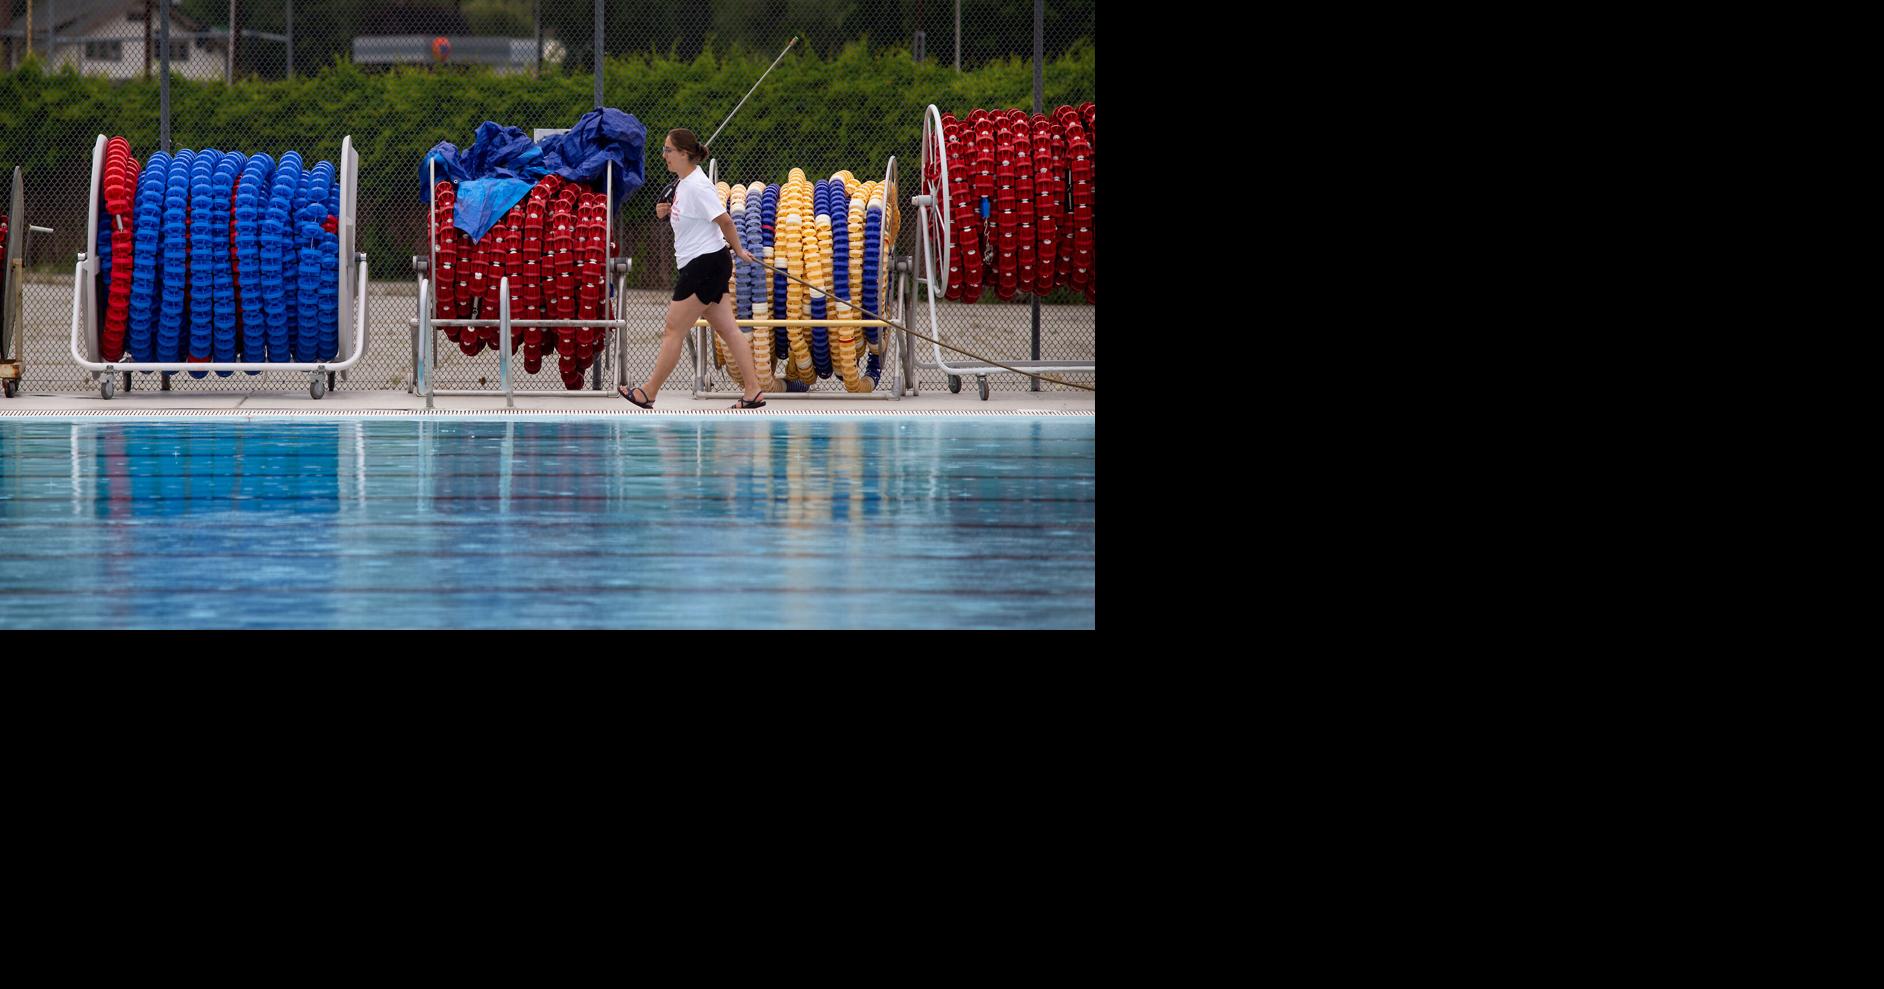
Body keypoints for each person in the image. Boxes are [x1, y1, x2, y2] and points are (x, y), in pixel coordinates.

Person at [619, 128, 767, 409]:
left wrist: (738, 250)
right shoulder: (683, 183)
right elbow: (687, 218)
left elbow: (724, 221)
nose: (664, 156)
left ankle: (649, 392)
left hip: (704, 264)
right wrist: (664, 213)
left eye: (668, 150)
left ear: (685, 154)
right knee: (729, 330)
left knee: (673, 329)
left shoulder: (697, 185)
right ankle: (753, 391)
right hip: (706, 263)